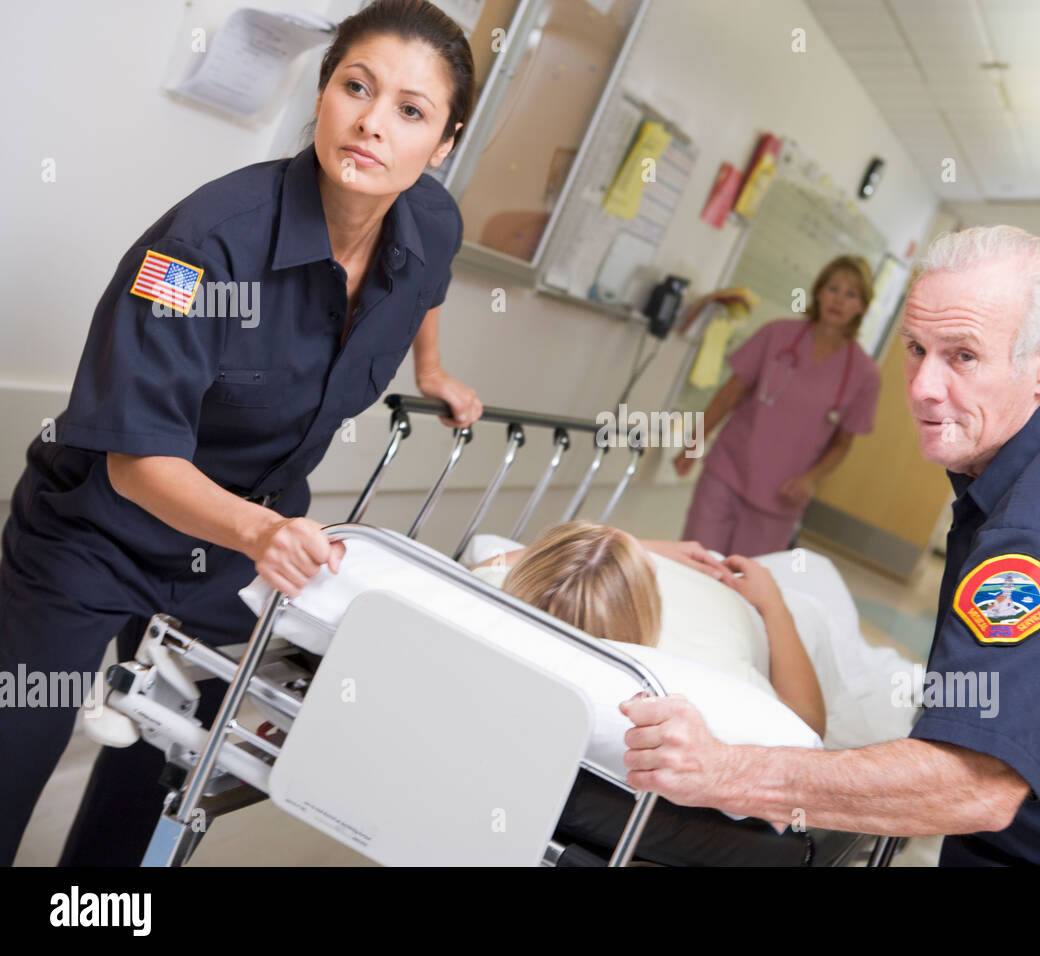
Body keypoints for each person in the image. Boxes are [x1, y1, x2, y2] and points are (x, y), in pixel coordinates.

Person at [0, 0, 484, 866]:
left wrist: (433, 372)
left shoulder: (429, 221)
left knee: (160, 788)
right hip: (97, 537)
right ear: (324, 91)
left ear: (442, 144)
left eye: (411, 111)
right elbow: (138, 460)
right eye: (356, 87)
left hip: (227, 560)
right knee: (11, 756)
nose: (373, 123)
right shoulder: (202, 248)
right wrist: (261, 531)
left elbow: (429, 286)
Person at [620, 226, 1040, 866]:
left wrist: (725, 772)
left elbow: (976, 783)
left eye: (963, 356)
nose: (921, 387)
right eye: (916, 348)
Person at [477, 521, 826, 736]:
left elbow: (493, 563)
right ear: (647, 600)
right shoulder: (712, 676)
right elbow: (808, 725)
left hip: (722, 585)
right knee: (815, 576)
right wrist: (774, 605)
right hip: (776, 615)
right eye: (651, 567)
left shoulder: (491, 587)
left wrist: (633, 549)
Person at [674, 256, 882, 556]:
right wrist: (693, 445)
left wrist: (810, 479)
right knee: (696, 562)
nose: (839, 300)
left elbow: (842, 444)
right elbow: (729, 394)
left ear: (862, 307)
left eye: (851, 294)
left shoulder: (864, 374)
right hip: (728, 470)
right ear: (819, 292)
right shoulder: (777, 335)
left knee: (745, 584)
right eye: (833, 288)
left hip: (782, 495)